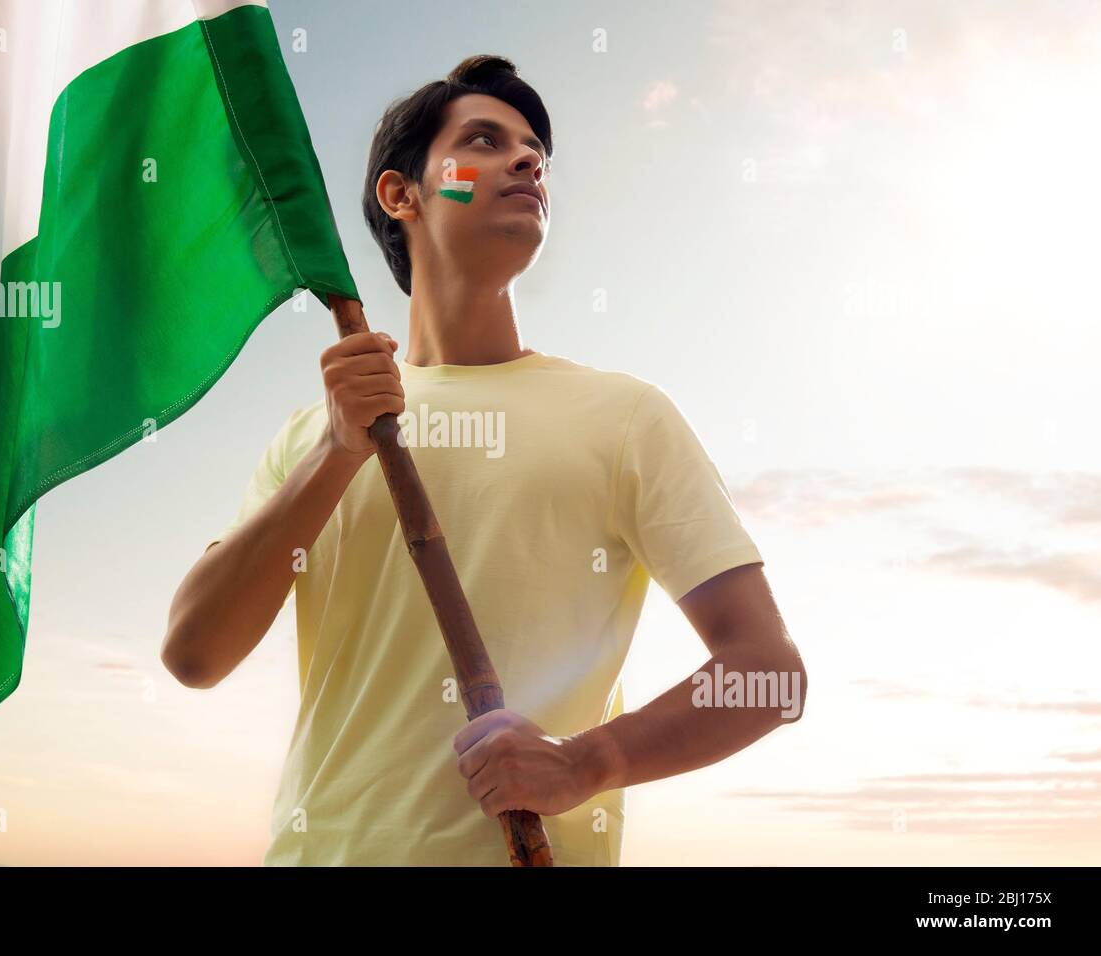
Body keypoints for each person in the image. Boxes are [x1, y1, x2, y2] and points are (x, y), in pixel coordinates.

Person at [162, 55, 807, 866]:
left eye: (534, 148)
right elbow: (193, 654)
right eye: (484, 141)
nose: (528, 160)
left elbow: (768, 673)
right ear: (401, 194)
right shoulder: (310, 435)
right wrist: (335, 452)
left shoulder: (625, 416)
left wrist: (586, 762)